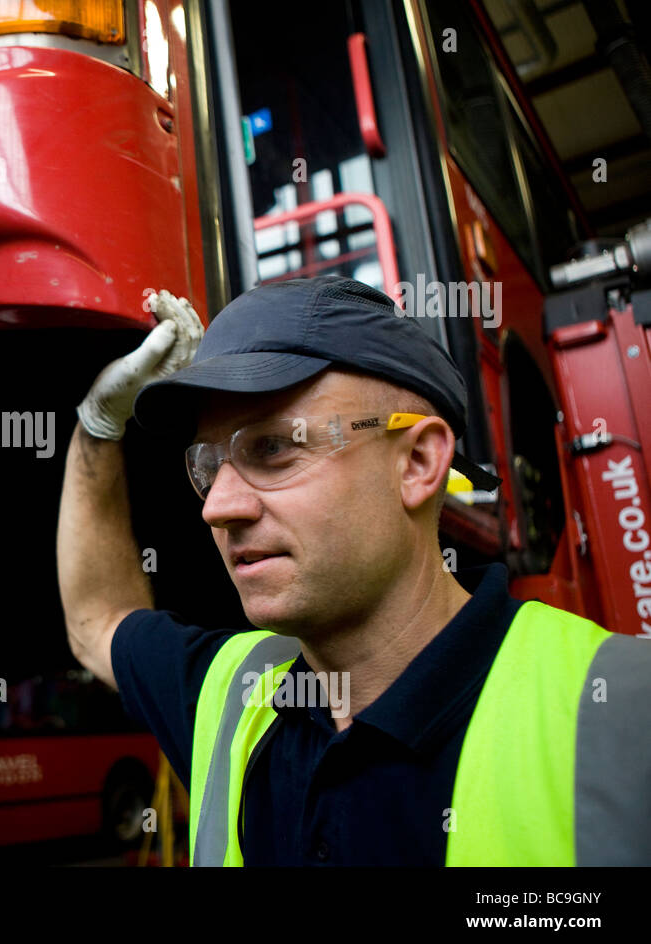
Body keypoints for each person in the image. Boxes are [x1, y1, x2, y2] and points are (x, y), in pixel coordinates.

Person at [56, 275, 650, 866]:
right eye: (208, 465)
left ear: (418, 463)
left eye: (272, 448)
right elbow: (95, 623)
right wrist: (99, 424)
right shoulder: (233, 698)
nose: (217, 506)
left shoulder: (622, 719)